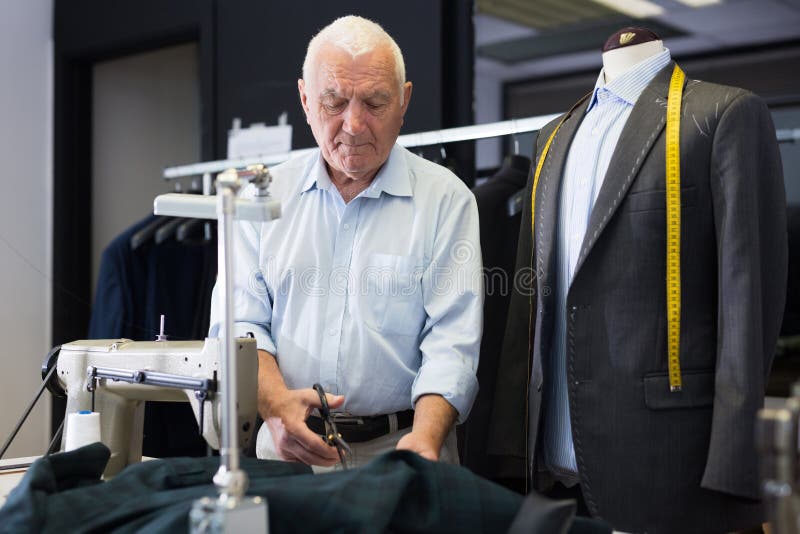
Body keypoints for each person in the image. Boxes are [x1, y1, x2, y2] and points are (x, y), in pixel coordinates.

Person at [489, 27, 787, 533]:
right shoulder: (554, 136)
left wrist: (736, 470)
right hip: (555, 473)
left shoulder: (722, 116)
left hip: (667, 467)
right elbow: (530, 304)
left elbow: (747, 301)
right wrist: (511, 447)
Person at [209, 15, 482, 469]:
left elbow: (452, 341)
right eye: (334, 102)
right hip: (283, 448)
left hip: (405, 450)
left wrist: (427, 438)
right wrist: (276, 409)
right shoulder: (260, 198)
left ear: (404, 100)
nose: (354, 125)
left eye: (375, 102)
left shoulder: (446, 200)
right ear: (304, 100)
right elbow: (241, 324)